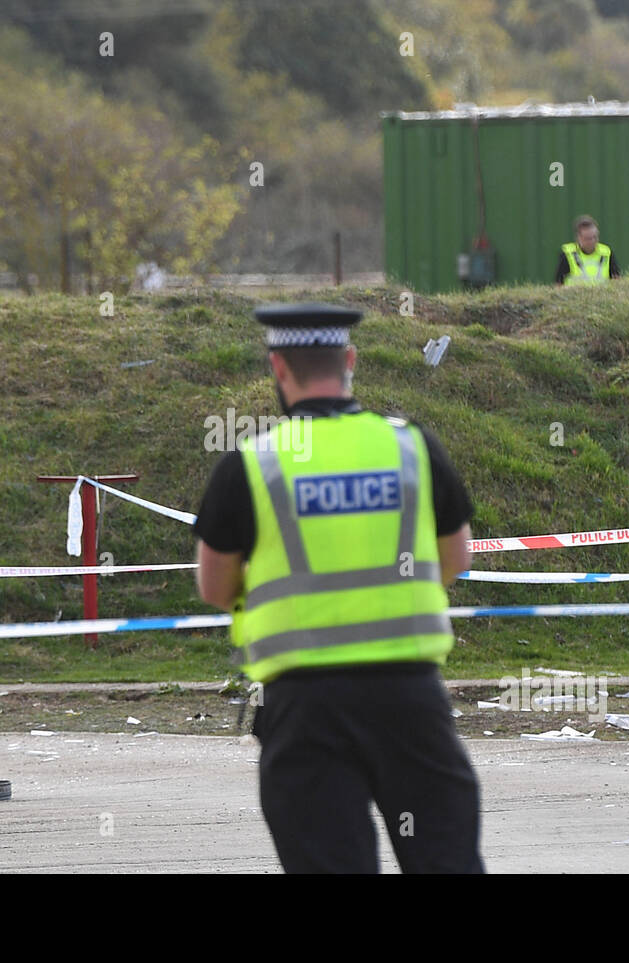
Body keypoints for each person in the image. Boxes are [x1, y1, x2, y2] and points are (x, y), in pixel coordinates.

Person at [193, 302, 484, 874]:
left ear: (278, 369)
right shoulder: (412, 449)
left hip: (305, 710)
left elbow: (214, 586)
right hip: (410, 701)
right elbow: (455, 560)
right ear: (350, 361)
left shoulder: (252, 465)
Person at [555, 215, 619, 285]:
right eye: (588, 239)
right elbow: (559, 284)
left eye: (595, 237)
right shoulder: (568, 254)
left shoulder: (606, 253)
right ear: (578, 238)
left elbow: (617, 281)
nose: (592, 241)